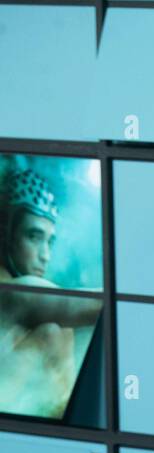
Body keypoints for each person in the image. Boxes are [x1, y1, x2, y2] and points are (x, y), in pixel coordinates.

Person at [0, 165, 101, 418]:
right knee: (55, 332)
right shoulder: (12, 291)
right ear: (6, 235)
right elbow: (91, 305)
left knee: (52, 331)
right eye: (34, 237)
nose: (45, 255)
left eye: (50, 241)